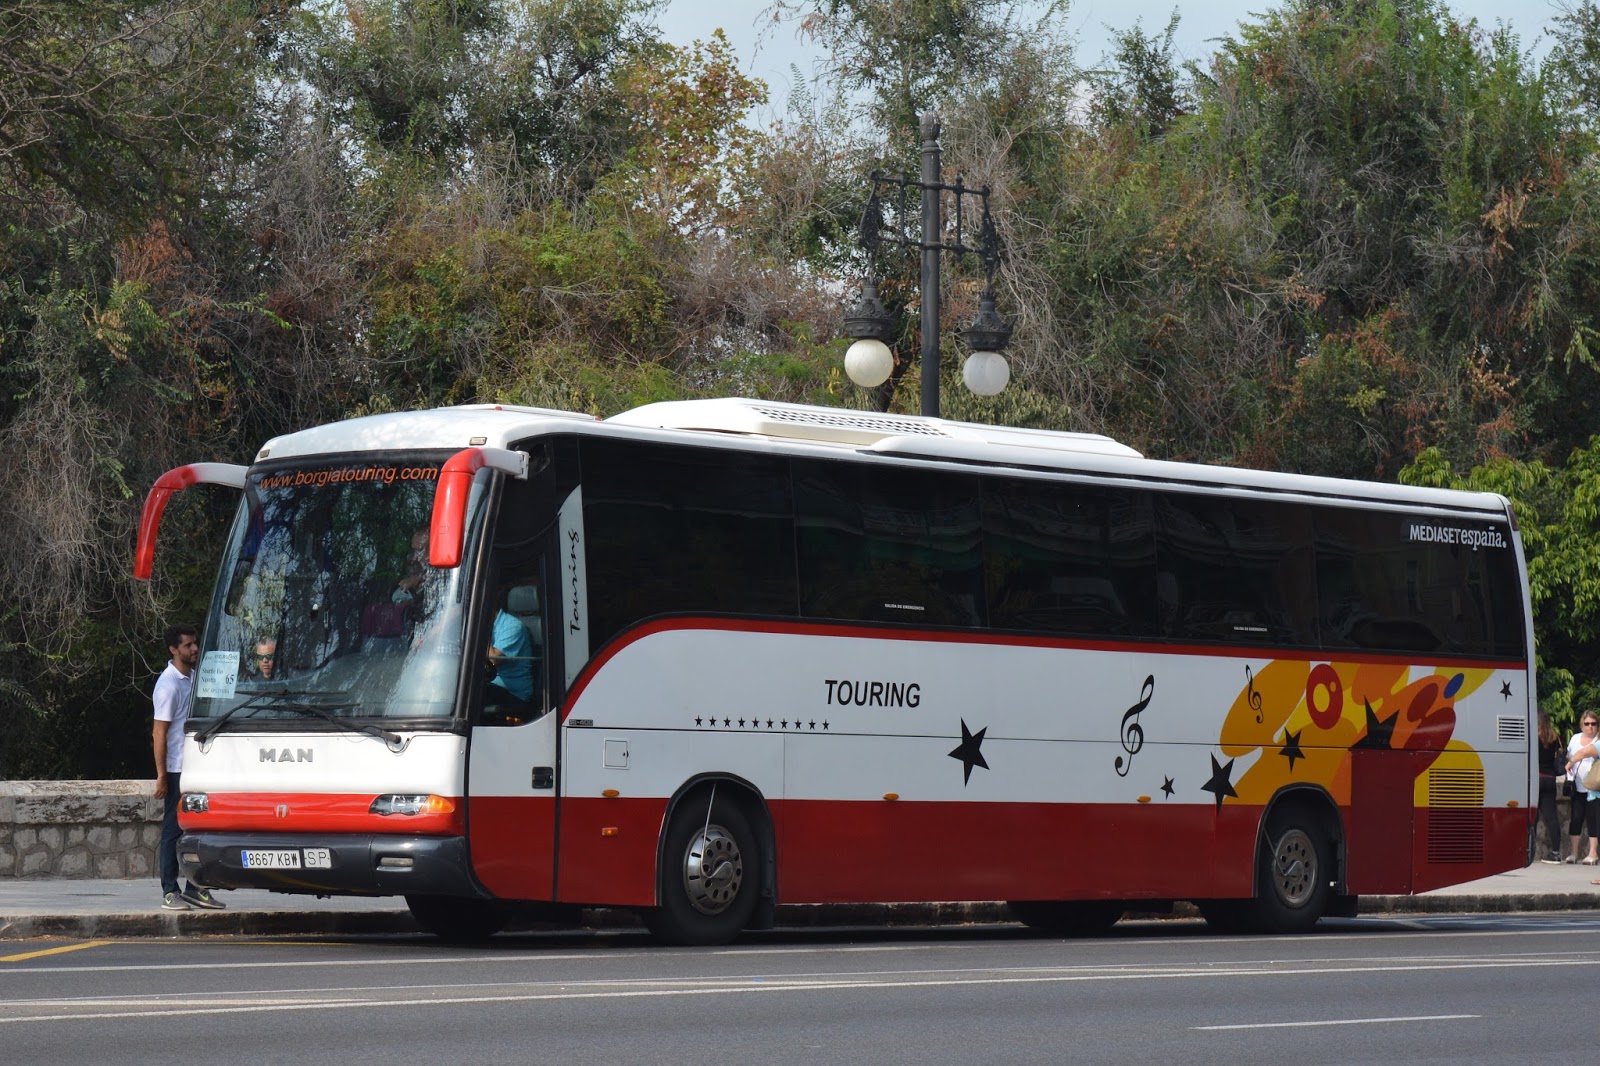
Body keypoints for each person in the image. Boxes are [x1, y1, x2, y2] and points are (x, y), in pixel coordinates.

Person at [152, 623, 225, 911]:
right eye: (187, 645)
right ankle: (170, 891)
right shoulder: (168, 685)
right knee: (173, 829)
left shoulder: (194, 679)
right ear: (173, 649)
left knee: (200, 826)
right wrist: (161, 775)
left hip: (197, 765)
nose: (194, 649)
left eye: (194, 644)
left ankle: (196, 887)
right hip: (176, 768)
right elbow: (159, 733)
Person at [1564, 712, 1600, 865]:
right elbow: (1569, 753)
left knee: (1594, 821)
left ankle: (1593, 853)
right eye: (1587, 724)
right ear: (1582, 725)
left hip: (1594, 788)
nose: (1590, 727)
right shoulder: (1575, 738)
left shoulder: (1598, 741)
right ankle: (1574, 853)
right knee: (1576, 819)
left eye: (1593, 723)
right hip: (1577, 785)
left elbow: (1584, 753)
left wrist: (1571, 762)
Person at [485, 608, 535, 705]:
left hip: (514, 693)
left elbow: (494, 660)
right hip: (490, 683)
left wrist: (481, 631)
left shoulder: (513, 626)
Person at [1537, 709, 1564, 863]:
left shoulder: (1534, 737)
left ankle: (1527, 851)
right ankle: (1555, 853)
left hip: (1536, 778)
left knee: (1531, 817)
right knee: (1552, 818)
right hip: (1550, 780)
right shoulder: (1554, 737)